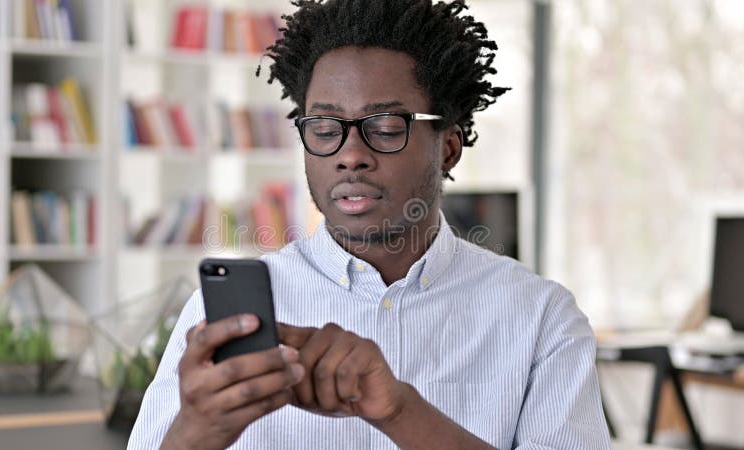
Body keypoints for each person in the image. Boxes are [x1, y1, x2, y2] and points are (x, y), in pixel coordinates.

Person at [128, 1, 611, 449]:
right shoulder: (221, 319)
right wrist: (195, 430)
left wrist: (399, 410)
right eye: (323, 128)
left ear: (448, 147)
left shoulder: (541, 320)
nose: (350, 156)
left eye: (383, 128)